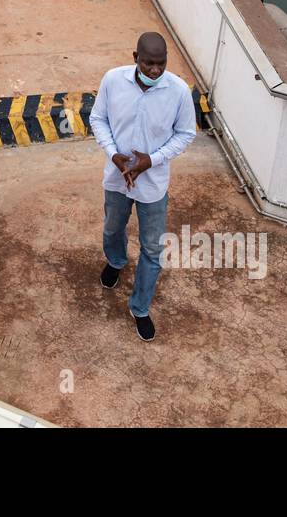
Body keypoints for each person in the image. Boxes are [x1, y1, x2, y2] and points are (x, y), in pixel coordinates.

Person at [90, 32, 196, 341]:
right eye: (148, 63)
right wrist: (115, 156)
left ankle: (140, 307)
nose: (154, 70)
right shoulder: (112, 80)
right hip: (116, 178)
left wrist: (152, 160)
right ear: (135, 57)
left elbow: (185, 134)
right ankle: (116, 260)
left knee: (152, 248)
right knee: (112, 228)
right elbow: (99, 120)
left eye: (161, 64)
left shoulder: (177, 92)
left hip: (152, 187)